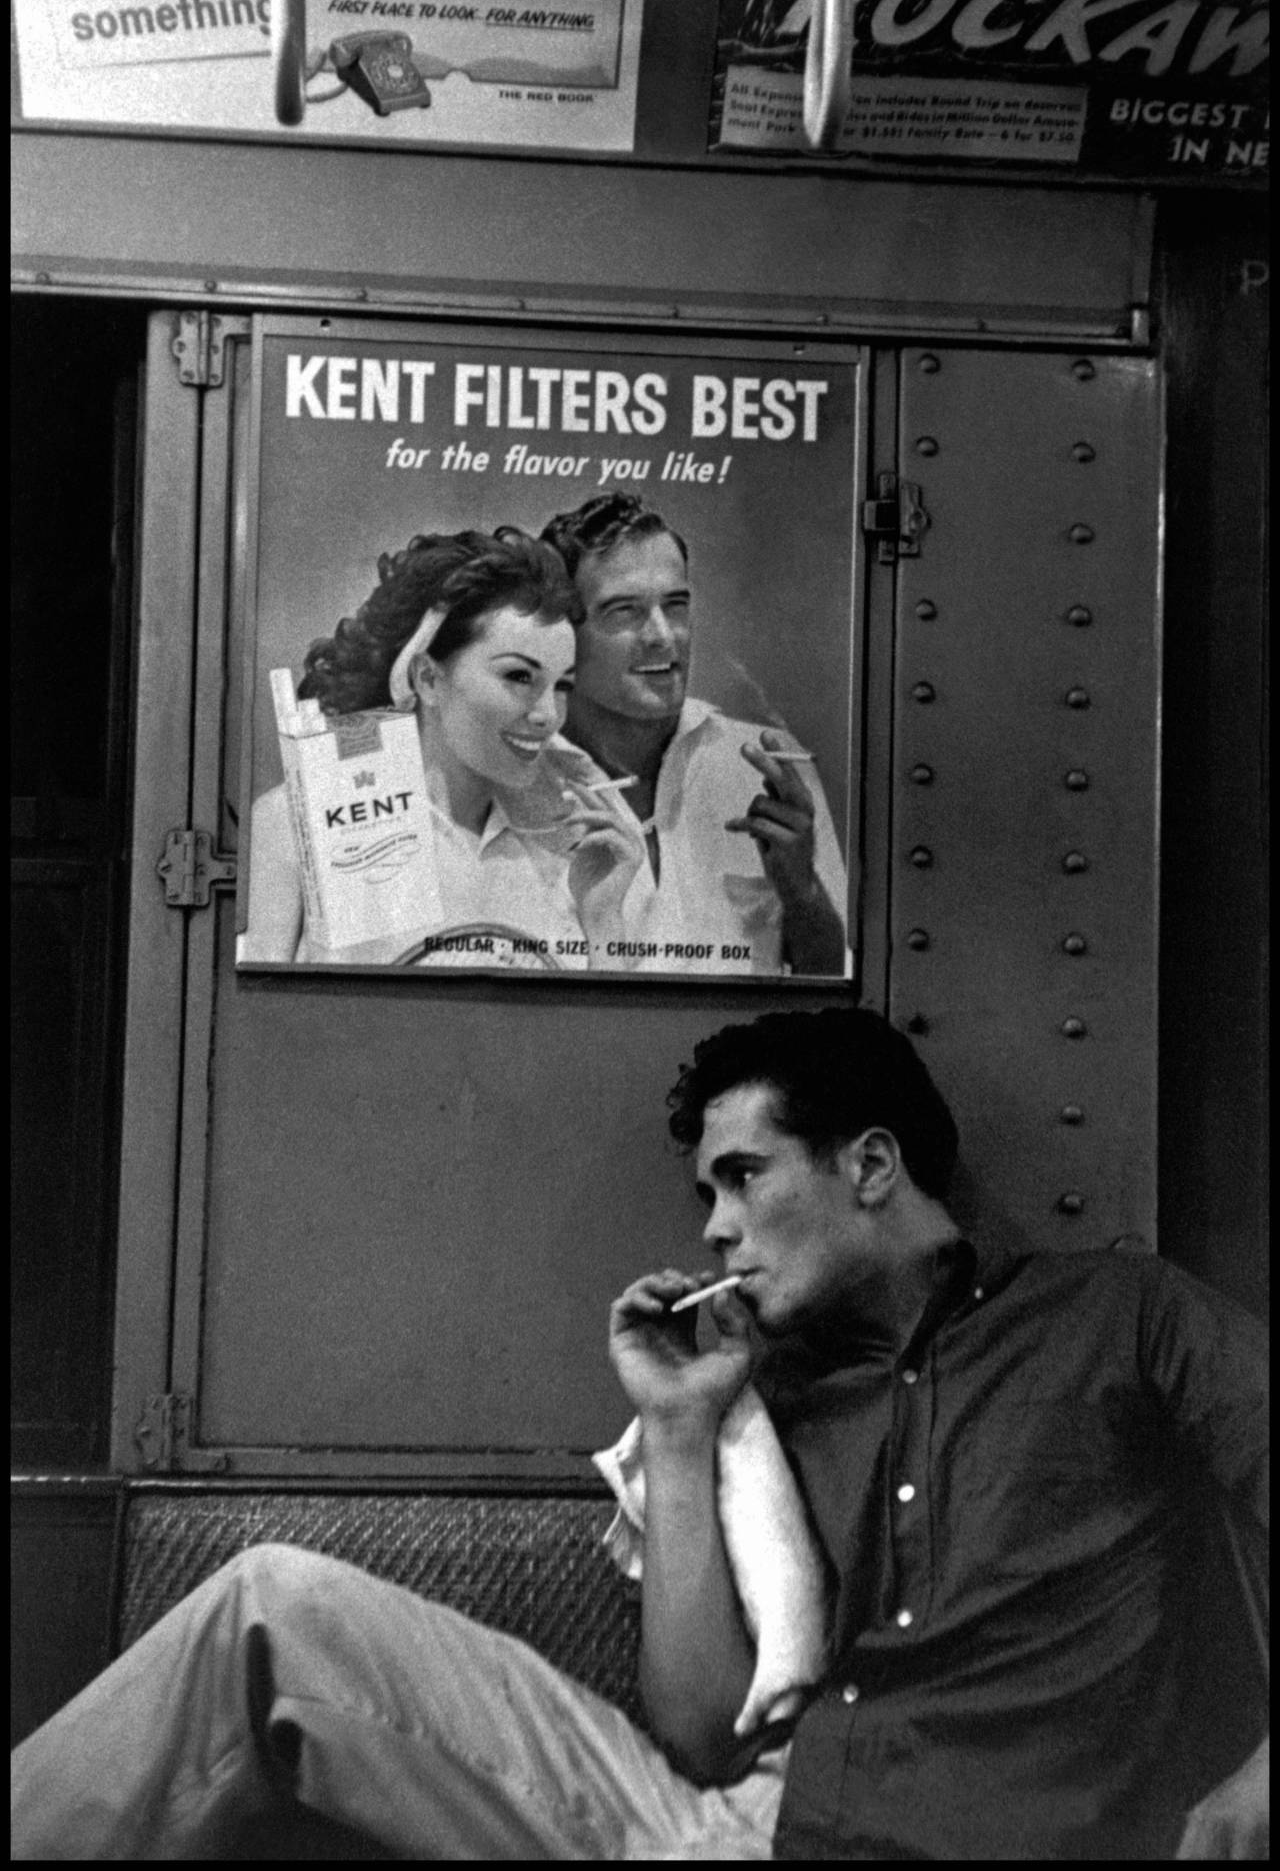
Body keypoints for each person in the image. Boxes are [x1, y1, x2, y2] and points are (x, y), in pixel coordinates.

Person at [11, 1010, 1268, 1859]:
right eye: (704, 1195)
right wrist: (678, 1429)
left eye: (743, 1176)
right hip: (736, 1836)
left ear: (870, 1166)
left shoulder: (1118, 1317)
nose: (715, 1228)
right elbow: (702, 1736)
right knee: (268, 1607)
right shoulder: (768, 1410)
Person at [238, 528, 643, 970]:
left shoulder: (572, 843)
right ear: (427, 679)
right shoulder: (301, 816)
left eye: (561, 685)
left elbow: (605, 1034)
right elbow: (256, 1012)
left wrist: (603, 917)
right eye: (519, 677)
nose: (548, 715)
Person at [539, 493, 849, 977]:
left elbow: (832, 986)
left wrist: (803, 891)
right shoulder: (516, 773)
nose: (663, 635)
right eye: (624, 611)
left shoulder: (770, 768)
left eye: (676, 605)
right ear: (562, 635)